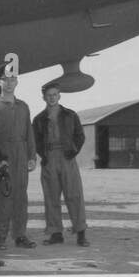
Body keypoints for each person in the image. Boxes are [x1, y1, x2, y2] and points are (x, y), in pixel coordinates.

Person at [32, 83, 89, 246]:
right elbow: (35, 140)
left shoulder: (70, 115)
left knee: (74, 195)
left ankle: (81, 233)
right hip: (49, 159)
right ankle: (56, 233)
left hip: (67, 158)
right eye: (48, 95)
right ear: (43, 97)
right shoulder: (38, 119)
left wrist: (73, 151)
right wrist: (43, 155)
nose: (52, 97)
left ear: (59, 96)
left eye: (55, 94)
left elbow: (80, 135)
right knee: (51, 197)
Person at [0, 73, 36, 250]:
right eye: (5, 80)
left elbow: (29, 133)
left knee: (21, 197)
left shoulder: (23, 107)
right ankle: (0, 238)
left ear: (17, 82)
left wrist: (31, 156)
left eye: (12, 79)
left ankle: (20, 235)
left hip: (21, 154)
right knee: (4, 197)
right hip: (3, 156)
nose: (9, 83)